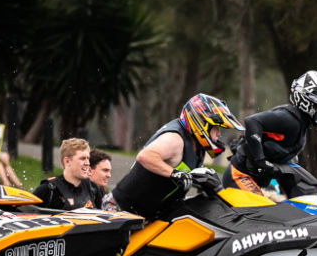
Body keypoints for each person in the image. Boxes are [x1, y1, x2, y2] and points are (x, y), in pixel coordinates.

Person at [103, 93, 243, 219]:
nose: (218, 133)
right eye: (216, 128)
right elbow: (145, 157)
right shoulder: (175, 138)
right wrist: (175, 174)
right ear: (202, 123)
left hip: (148, 216)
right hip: (119, 211)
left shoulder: (197, 147)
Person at [223, 70, 317, 195]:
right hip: (239, 175)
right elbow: (252, 121)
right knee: (266, 212)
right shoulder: (290, 120)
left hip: (258, 181)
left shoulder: (301, 126)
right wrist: (260, 160)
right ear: (310, 102)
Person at [32, 138, 102, 209]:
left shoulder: (93, 189)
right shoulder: (49, 190)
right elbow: (25, 214)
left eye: (88, 158)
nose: (88, 163)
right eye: (82, 158)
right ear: (67, 161)